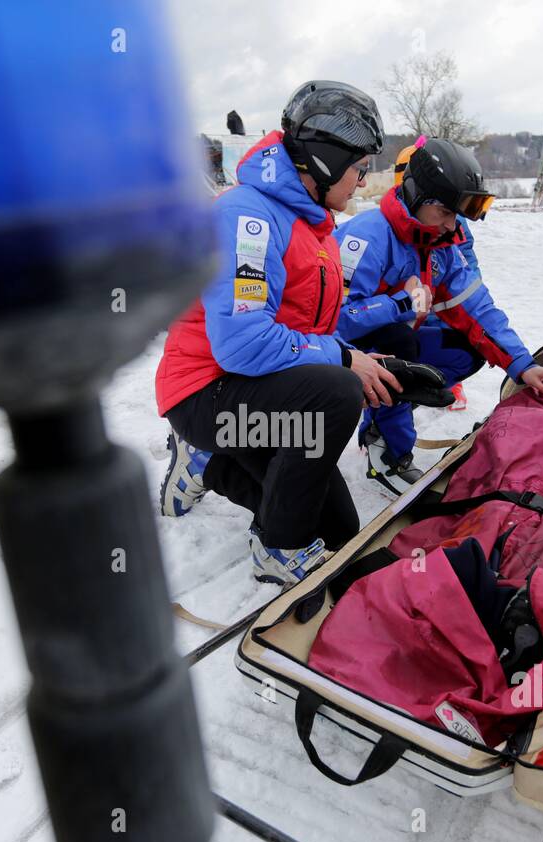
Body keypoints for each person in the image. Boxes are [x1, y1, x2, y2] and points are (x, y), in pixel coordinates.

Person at [155, 80, 398, 584]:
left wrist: (375, 363)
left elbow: (308, 331)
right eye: (358, 168)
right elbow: (243, 343)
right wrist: (345, 364)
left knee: (337, 528)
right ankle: (278, 548)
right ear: (327, 161)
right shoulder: (248, 217)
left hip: (254, 398)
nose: (362, 181)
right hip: (205, 391)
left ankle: (209, 464)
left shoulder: (315, 227)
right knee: (335, 393)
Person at [332, 138, 543, 493]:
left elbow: (478, 310)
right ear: (416, 195)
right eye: (444, 212)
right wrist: (399, 303)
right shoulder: (365, 238)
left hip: (385, 349)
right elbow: (332, 320)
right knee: (400, 340)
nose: (451, 224)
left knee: (464, 348)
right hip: (334, 357)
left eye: (456, 215)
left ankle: (382, 419)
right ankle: (390, 454)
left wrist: (523, 364)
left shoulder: (439, 245)